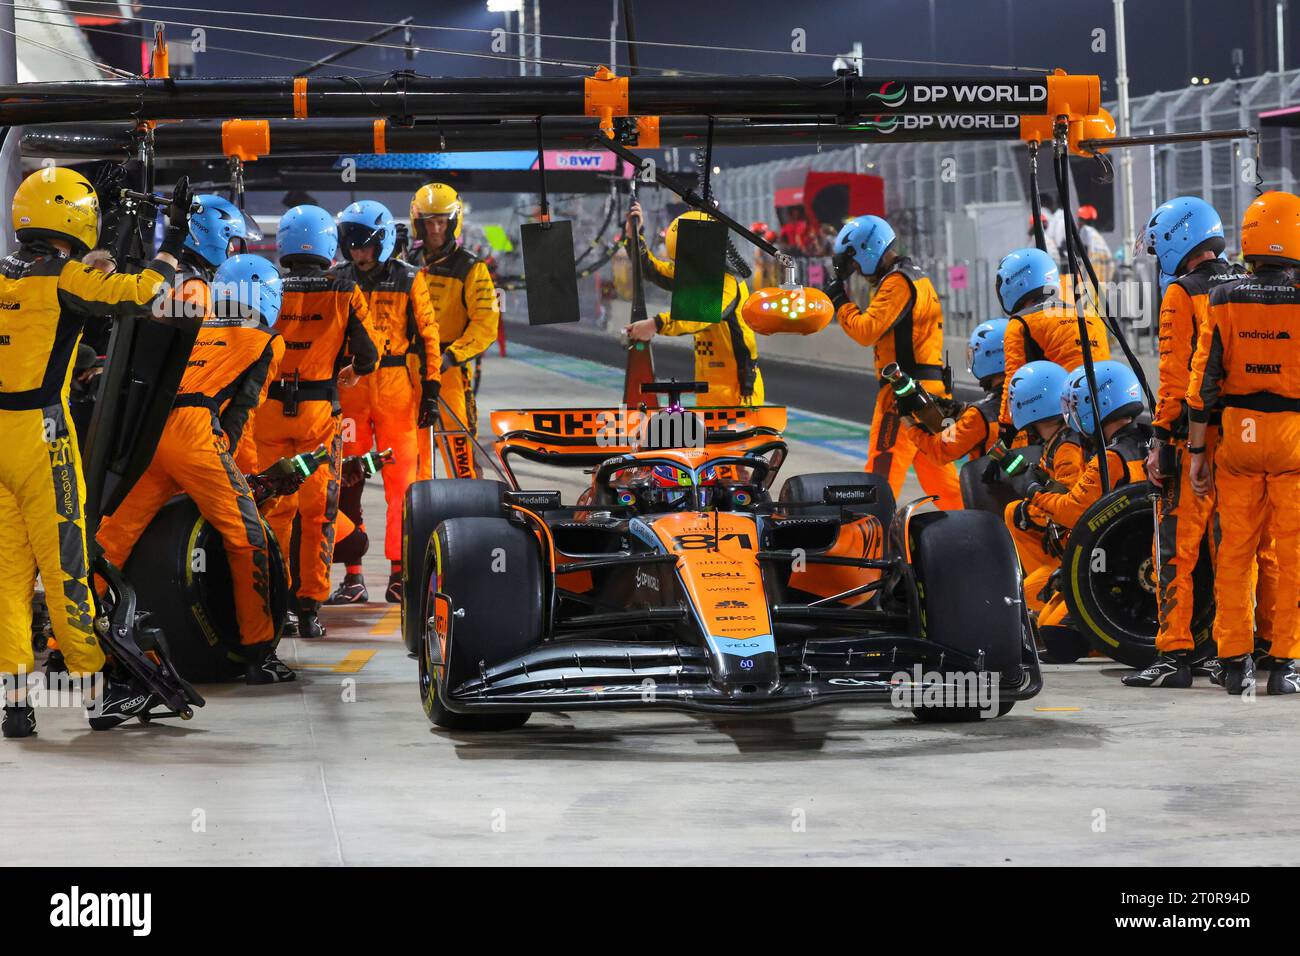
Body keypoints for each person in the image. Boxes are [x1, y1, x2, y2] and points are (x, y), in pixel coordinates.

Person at [1, 167, 190, 737]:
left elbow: (69, 285)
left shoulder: (14, 272)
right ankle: (96, 692)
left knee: (7, 577)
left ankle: (13, 703)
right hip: (42, 436)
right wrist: (171, 246)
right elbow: (134, 295)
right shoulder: (63, 279)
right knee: (66, 571)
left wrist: (100, 256)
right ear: (74, 219)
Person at [96, 254, 290, 686]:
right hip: (197, 435)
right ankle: (260, 653)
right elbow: (242, 411)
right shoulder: (265, 340)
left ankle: (68, 649)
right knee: (248, 537)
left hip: (151, 434)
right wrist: (237, 477)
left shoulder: (195, 324)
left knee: (111, 540)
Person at [1125, 197, 1247, 688]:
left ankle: (1174, 655)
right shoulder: (1247, 284)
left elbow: (1175, 379)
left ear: (1178, 238)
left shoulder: (1181, 293)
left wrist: (1159, 438)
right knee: (1235, 548)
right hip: (1242, 439)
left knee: (1175, 549)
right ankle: (1229, 652)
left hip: (1190, 440)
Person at [1187, 191, 1300, 696]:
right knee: (1293, 553)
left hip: (1238, 438)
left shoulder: (1224, 297)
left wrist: (1194, 453)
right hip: (1294, 441)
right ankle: (1288, 661)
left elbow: (1203, 380)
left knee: (1235, 550)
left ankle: (1234, 662)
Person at [256, 206, 378, 637]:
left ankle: (275, 609)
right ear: (329, 245)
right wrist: (353, 372)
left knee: (271, 512)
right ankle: (308, 610)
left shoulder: (265, 284)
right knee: (318, 516)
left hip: (266, 416)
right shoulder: (344, 290)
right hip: (318, 419)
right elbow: (368, 355)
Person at [332, 200, 440, 605]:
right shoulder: (337, 278)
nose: (359, 253)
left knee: (403, 486)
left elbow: (430, 337)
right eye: (352, 245)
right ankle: (353, 576)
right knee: (345, 482)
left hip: (397, 388)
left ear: (384, 243)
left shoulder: (411, 278)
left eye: (366, 245)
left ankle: (400, 575)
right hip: (351, 385)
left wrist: (431, 390)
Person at [825, 214, 961, 509]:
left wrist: (840, 303)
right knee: (943, 482)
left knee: (880, 477)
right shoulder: (914, 276)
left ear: (868, 250)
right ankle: (979, 534)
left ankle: (870, 542)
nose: (858, 272)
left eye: (857, 264)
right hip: (930, 393)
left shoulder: (897, 282)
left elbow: (866, 331)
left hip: (904, 394)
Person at [623, 204, 764, 407]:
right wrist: (634, 237)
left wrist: (655, 324)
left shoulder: (728, 283)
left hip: (739, 394)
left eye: (683, 261)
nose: (679, 269)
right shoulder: (697, 274)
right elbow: (652, 269)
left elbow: (697, 317)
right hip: (709, 389)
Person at [409, 183, 499, 479]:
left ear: (452, 223)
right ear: (417, 223)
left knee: (459, 452)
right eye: (429, 222)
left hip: (449, 370)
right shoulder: (403, 264)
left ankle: (470, 513)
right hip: (405, 370)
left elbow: (486, 324)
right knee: (411, 454)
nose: (435, 230)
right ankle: (417, 515)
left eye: (441, 222)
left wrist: (452, 356)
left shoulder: (472, 268)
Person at [995, 246, 1111, 428]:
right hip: (1104, 409)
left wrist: (1005, 427)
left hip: (1062, 418)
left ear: (1014, 282)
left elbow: (1014, 380)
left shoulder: (1021, 324)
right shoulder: (1090, 315)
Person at [1001, 361, 1083, 619]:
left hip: (1079, 546)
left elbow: (1071, 507)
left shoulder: (1067, 448)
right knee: (1015, 512)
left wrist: (1033, 499)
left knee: (1021, 604)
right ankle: (1053, 570)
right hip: (1069, 541)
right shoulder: (1058, 441)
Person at [903, 319, 1007, 465]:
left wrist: (908, 422)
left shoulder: (980, 416)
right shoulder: (1036, 396)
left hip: (997, 486)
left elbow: (939, 450)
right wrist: (943, 403)